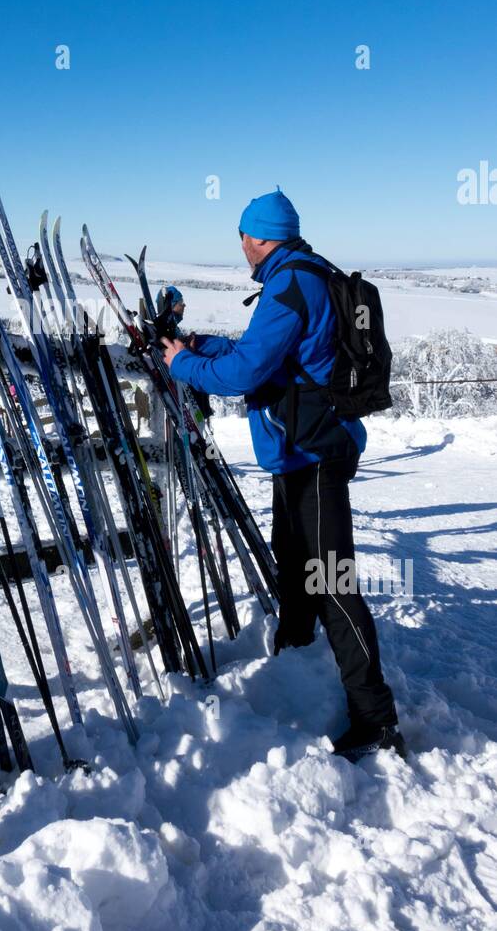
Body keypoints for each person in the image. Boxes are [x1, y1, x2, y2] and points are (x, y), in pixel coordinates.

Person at [161, 188, 404, 763]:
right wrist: (202, 344)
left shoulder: (290, 283)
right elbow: (271, 353)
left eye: (242, 236)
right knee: (294, 561)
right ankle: (297, 655)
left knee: (332, 582)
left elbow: (247, 371)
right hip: (300, 451)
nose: (241, 246)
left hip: (313, 452)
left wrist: (183, 364)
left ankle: (376, 719)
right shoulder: (300, 273)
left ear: (256, 237)